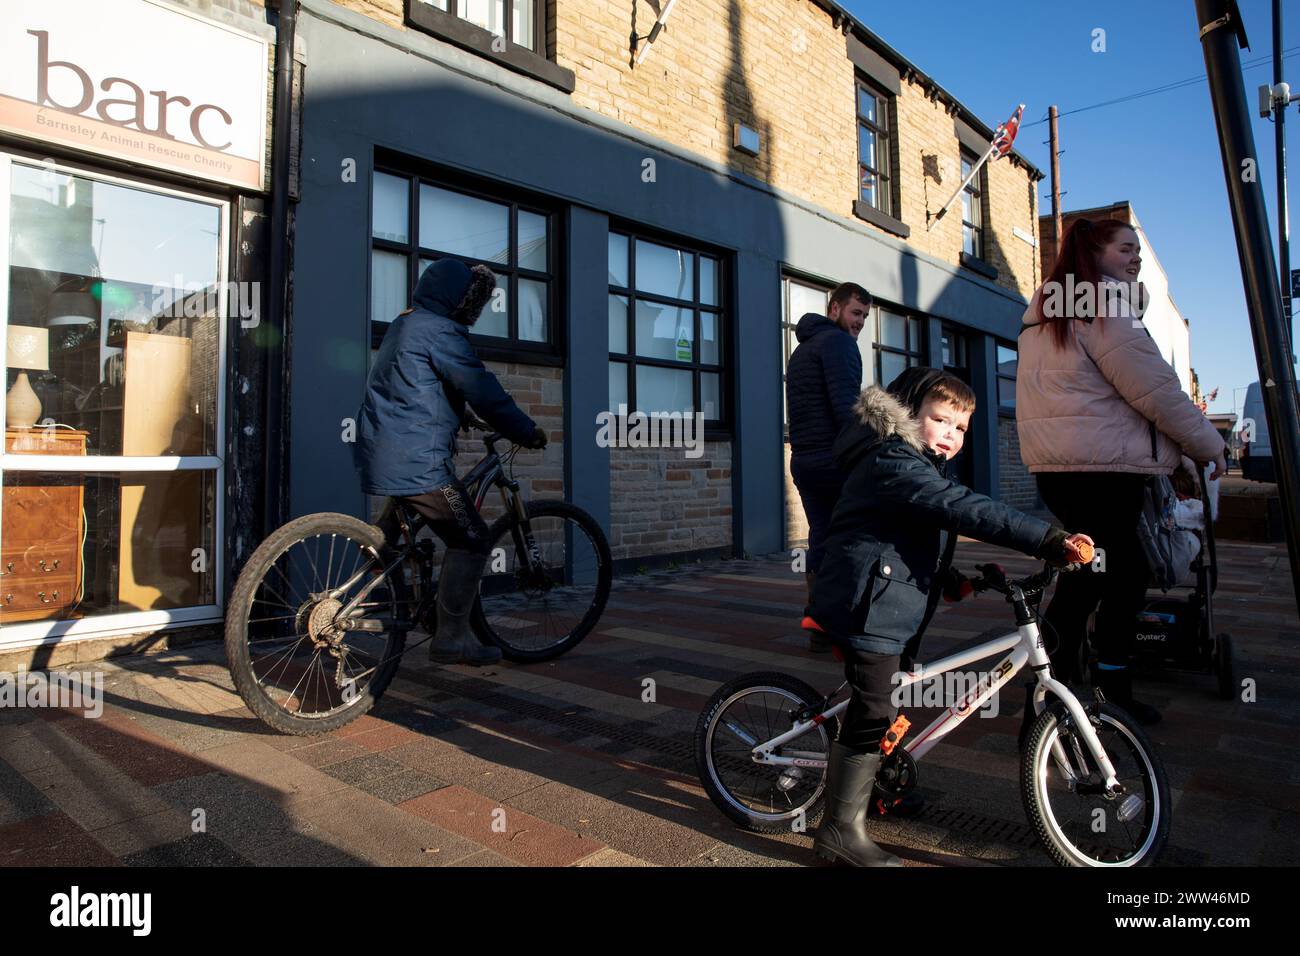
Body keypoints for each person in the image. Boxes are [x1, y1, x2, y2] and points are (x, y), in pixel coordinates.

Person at [808, 368, 1092, 867]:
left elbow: (907, 540)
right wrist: (1047, 538)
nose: (951, 435)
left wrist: (957, 580)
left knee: (887, 700)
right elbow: (959, 507)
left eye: (960, 428)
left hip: (888, 600)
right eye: (940, 420)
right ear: (907, 414)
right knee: (873, 707)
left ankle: (872, 787)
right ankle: (838, 832)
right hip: (863, 604)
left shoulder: (918, 464)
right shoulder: (893, 458)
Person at [1015, 218, 1226, 726]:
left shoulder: (1052, 308)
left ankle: (1054, 694)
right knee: (1120, 577)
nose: (1134, 258)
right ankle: (1097, 694)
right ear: (1096, 251)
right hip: (1103, 471)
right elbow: (1155, 391)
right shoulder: (1104, 305)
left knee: (1088, 577)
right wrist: (1208, 443)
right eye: (1125, 248)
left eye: (1136, 250)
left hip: (1063, 468)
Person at [355, 259, 548, 666]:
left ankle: (381, 579)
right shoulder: (442, 331)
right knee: (472, 538)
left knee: (394, 535)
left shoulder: (405, 324)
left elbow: (411, 385)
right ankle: (452, 639)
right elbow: (481, 387)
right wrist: (524, 430)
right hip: (417, 461)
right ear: (460, 300)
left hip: (385, 451)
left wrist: (459, 414)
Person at [785, 282, 872, 652]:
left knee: (821, 535)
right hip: (836, 461)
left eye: (866, 316)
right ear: (834, 309)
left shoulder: (802, 350)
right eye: (856, 313)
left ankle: (818, 622)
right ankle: (845, 624)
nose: (860, 323)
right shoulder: (838, 344)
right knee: (856, 537)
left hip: (805, 461)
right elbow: (846, 409)